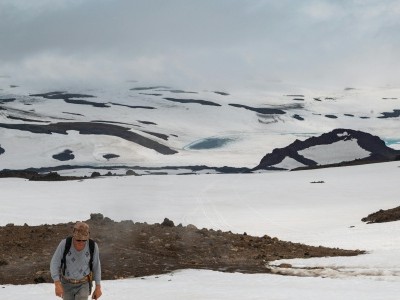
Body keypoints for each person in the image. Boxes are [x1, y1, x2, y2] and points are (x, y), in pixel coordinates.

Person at [50, 221, 102, 299]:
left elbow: (96, 267)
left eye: (84, 240)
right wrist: (57, 284)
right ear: (73, 236)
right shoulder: (64, 244)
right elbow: (54, 263)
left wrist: (98, 287)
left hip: (84, 283)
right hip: (66, 283)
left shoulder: (93, 246)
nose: (81, 242)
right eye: (78, 240)